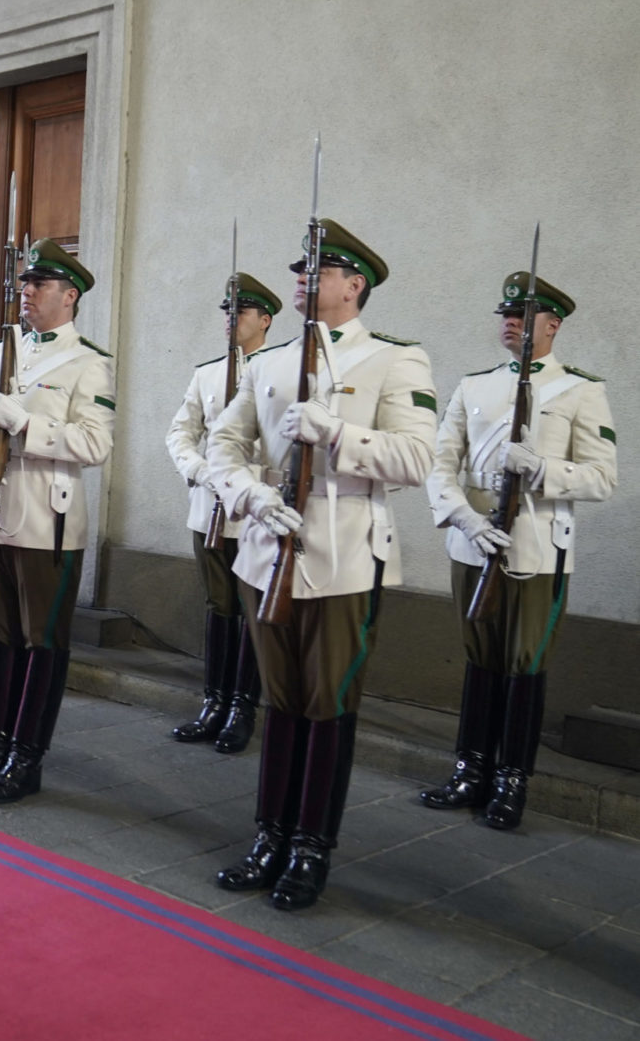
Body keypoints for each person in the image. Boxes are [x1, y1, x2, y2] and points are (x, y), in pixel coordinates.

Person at [209, 221, 437, 910]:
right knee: (280, 703)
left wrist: (337, 432)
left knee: (327, 705)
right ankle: (270, 835)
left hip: (344, 558)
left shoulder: (396, 359)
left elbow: (416, 458)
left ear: (354, 285)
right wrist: (248, 494)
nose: (302, 279)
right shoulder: (270, 362)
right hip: (266, 553)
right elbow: (224, 444)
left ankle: (311, 847)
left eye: (319, 270)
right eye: (301, 269)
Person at [420, 274, 617, 830]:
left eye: (525, 315)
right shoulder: (473, 386)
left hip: (536, 548)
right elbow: (440, 463)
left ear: (553, 326)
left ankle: (512, 782)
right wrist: (462, 517)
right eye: (507, 314)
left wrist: (543, 469)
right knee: (480, 658)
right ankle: (470, 770)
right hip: (474, 542)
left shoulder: (581, 391)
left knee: (524, 664)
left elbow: (603, 478)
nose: (511, 322)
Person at [0, 239, 117, 804]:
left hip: (49, 521)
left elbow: (95, 445)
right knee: (1, 637)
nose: (27, 292)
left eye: (40, 285)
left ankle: (26, 757)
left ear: (70, 297)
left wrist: (26, 426)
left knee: (42, 642)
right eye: (25, 284)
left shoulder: (89, 363)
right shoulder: (1, 352)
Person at [165, 277, 280, 753]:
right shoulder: (207, 374)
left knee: (252, 610)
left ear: (265, 320)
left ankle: (242, 709)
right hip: (210, 509)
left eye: (242, 311)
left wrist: (245, 482)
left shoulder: (280, 372)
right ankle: (213, 703)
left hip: (255, 512)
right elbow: (180, 433)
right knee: (219, 606)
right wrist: (200, 470)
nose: (231, 319)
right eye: (228, 311)